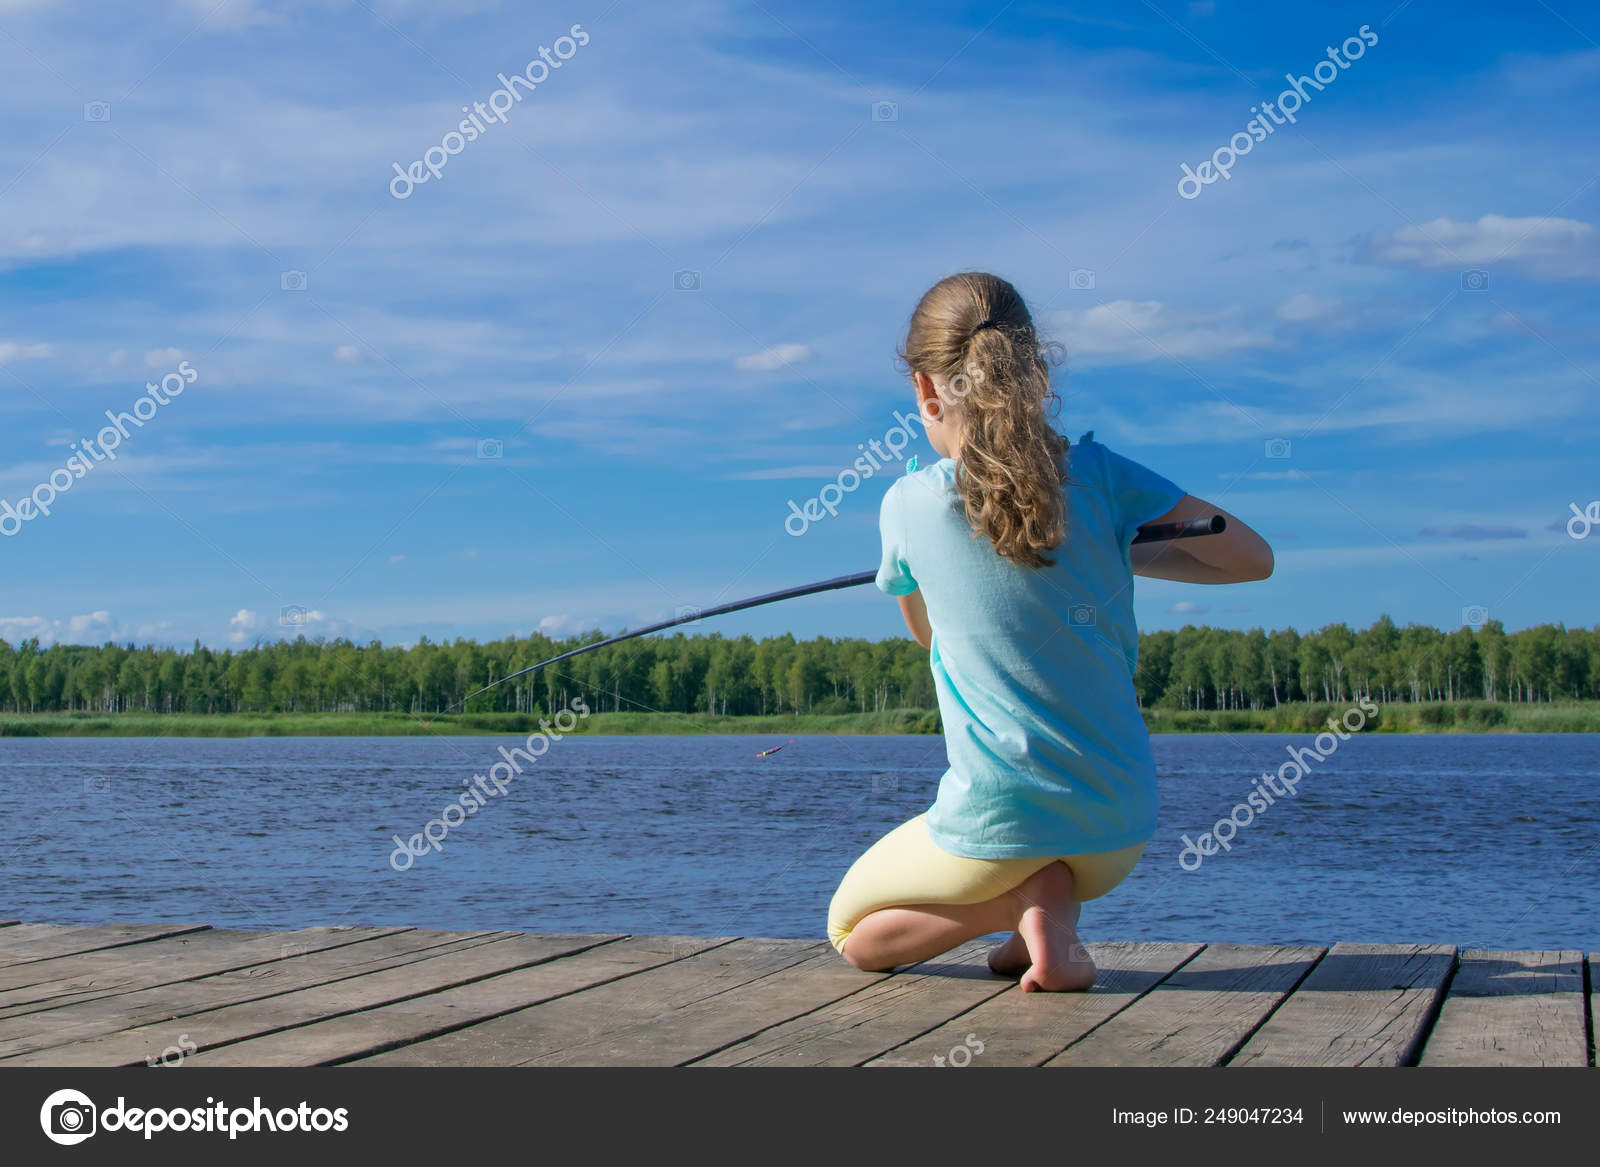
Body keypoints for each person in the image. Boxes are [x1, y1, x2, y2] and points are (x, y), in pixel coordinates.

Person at [826, 272, 1273, 991]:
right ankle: (1037, 923)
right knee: (1037, 854)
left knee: (851, 932)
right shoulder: (1101, 477)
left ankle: (1027, 906)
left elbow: (931, 640)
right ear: (1035, 373)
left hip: (999, 831)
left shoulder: (907, 505)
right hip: (1117, 830)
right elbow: (1253, 558)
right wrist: (1110, 541)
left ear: (925, 389)